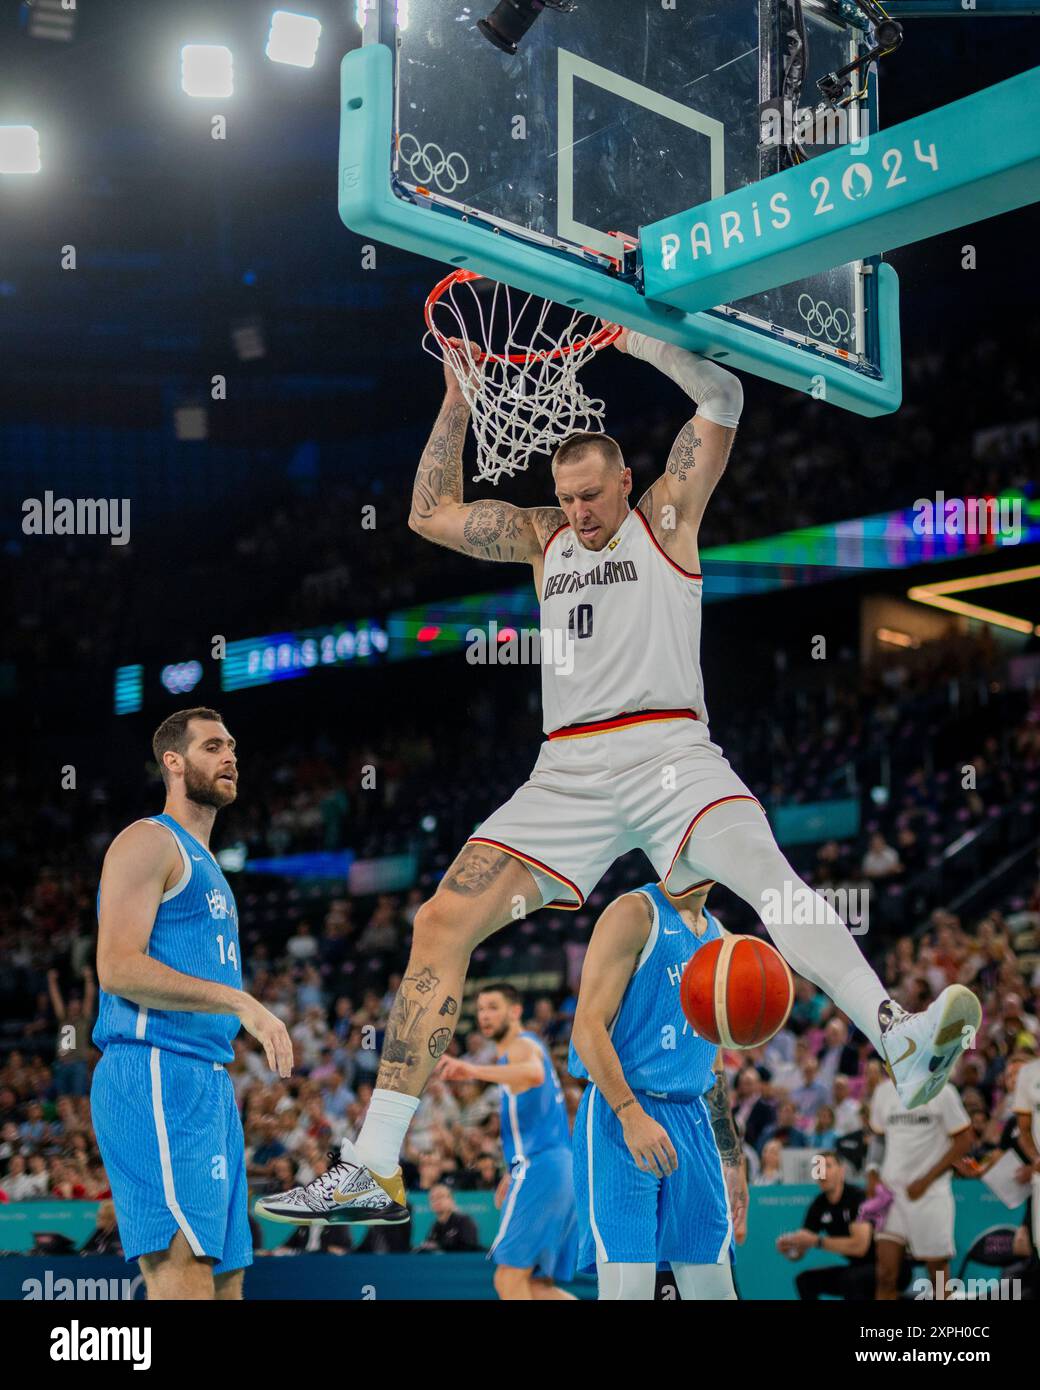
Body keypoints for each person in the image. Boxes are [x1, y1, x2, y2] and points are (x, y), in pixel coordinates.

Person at [256, 326, 980, 1228]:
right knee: (440, 919)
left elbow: (723, 402)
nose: (580, 512)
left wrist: (639, 341)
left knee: (774, 887)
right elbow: (429, 513)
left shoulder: (666, 519)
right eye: (567, 497)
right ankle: (373, 1162)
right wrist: (455, 403)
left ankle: (896, 1034)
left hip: (670, 754)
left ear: (626, 480)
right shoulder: (541, 537)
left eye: (592, 495)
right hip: (565, 772)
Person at [90, 708, 293, 1300]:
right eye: (211, 747)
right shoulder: (147, 840)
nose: (229, 755)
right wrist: (241, 1002)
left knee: (225, 1284)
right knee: (182, 1276)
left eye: (231, 745)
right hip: (154, 1068)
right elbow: (117, 967)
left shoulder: (210, 867)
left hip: (207, 1080)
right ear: (173, 763)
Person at [568, 880, 746, 1300]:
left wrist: (731, 1156)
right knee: (630, 1291)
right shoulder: (635, 912)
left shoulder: (722, 939)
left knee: (715, 1291)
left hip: (694, 1117)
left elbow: (713, 1055)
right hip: (624, 1111)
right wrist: (631, 1115)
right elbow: (586, 1028)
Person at [436, 984, 577, 1300]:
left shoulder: (521, 1046)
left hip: (542, 1166)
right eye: (481, 1008)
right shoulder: (520, 1050)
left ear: (515, 1011)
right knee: (536, 1287)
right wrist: (510, 1171)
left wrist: (471, 1069)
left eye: (493, 1007)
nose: (484, 1015)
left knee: (508, 1279)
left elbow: (534, 1074)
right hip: (556, 1167)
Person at [869, 1075, 973, 1300]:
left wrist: (926, 1180)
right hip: (891, 1194)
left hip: (930, 1193)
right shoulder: (883, 1091)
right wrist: (872, 1173)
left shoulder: (942, 1090)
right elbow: (878, 1138)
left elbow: (965, 1139)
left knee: (936, 1274)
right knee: (885, 1274)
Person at [777, 1152, 874, 1300]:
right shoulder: (819, 1205)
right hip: (856, 1269)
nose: (822, 1172)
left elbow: (860, 1247)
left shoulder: (857, 1197)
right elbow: (800, 1248)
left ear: (841, 1171)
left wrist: (818, 1241)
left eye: (827, 1166)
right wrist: (790, 1249)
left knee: (852, 1280)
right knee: (805, 1281)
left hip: (886, 1267)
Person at [415, 1183, 482, 1253]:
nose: (436, 1201)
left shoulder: (464, 1221)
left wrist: (440, 1246)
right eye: (432, 1198)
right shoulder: (435, 1226)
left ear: (451, 1200)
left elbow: (470, 1247)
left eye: (440, 1197)